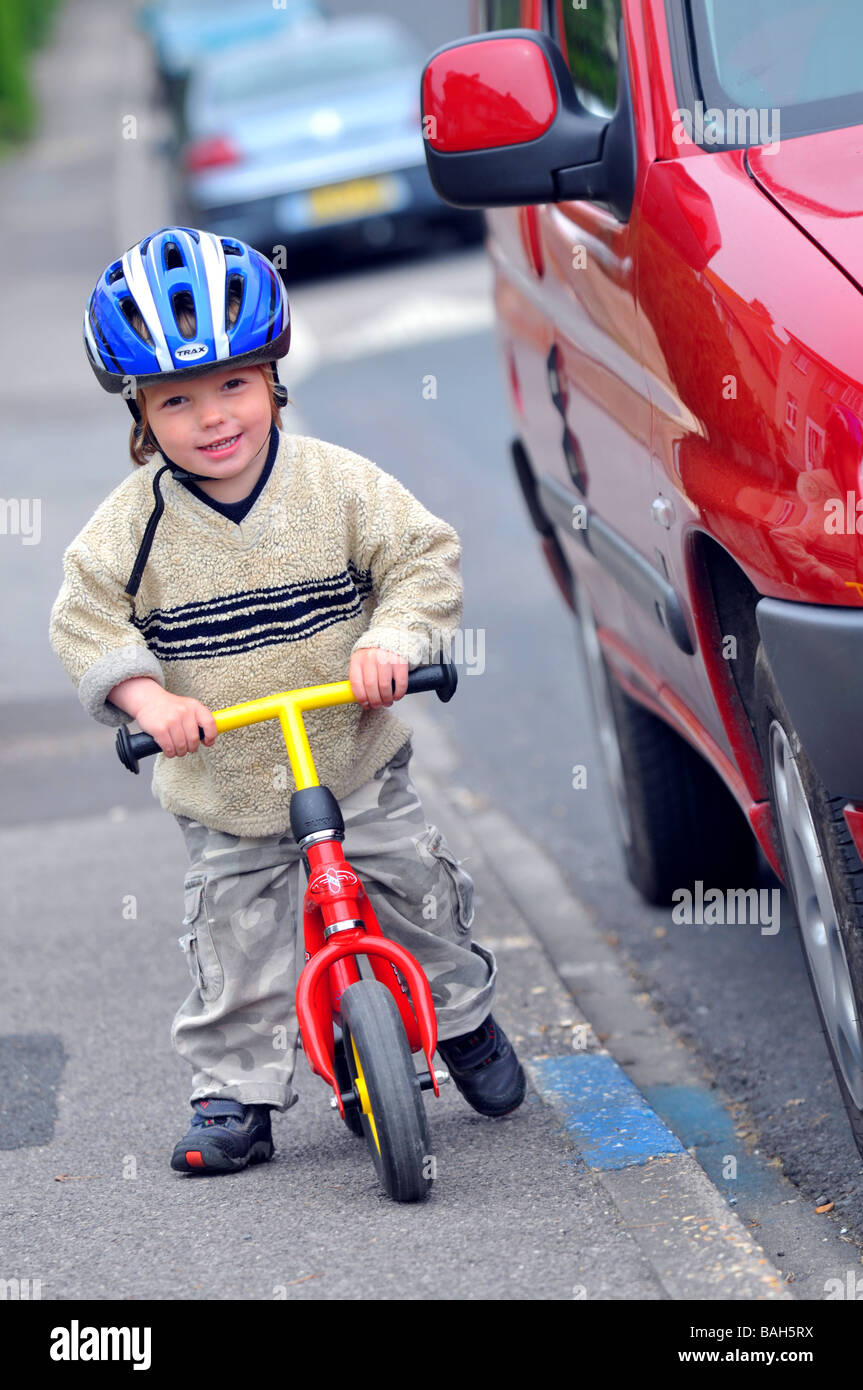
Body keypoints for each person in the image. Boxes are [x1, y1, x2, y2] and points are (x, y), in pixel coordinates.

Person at [49, 226, 525, 1174]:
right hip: (225, 783)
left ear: (273, 378)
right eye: (177, 401)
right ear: (140, 415)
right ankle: (235, 1092)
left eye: (233, 384)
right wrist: (148, 701)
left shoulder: (335, 483)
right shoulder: (130, 529)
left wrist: (393, 641)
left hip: (352, 760)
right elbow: (88, 622)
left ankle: (463, 1021)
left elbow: (419, 557)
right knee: (236, 938)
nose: (212, 418)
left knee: (416, 891)